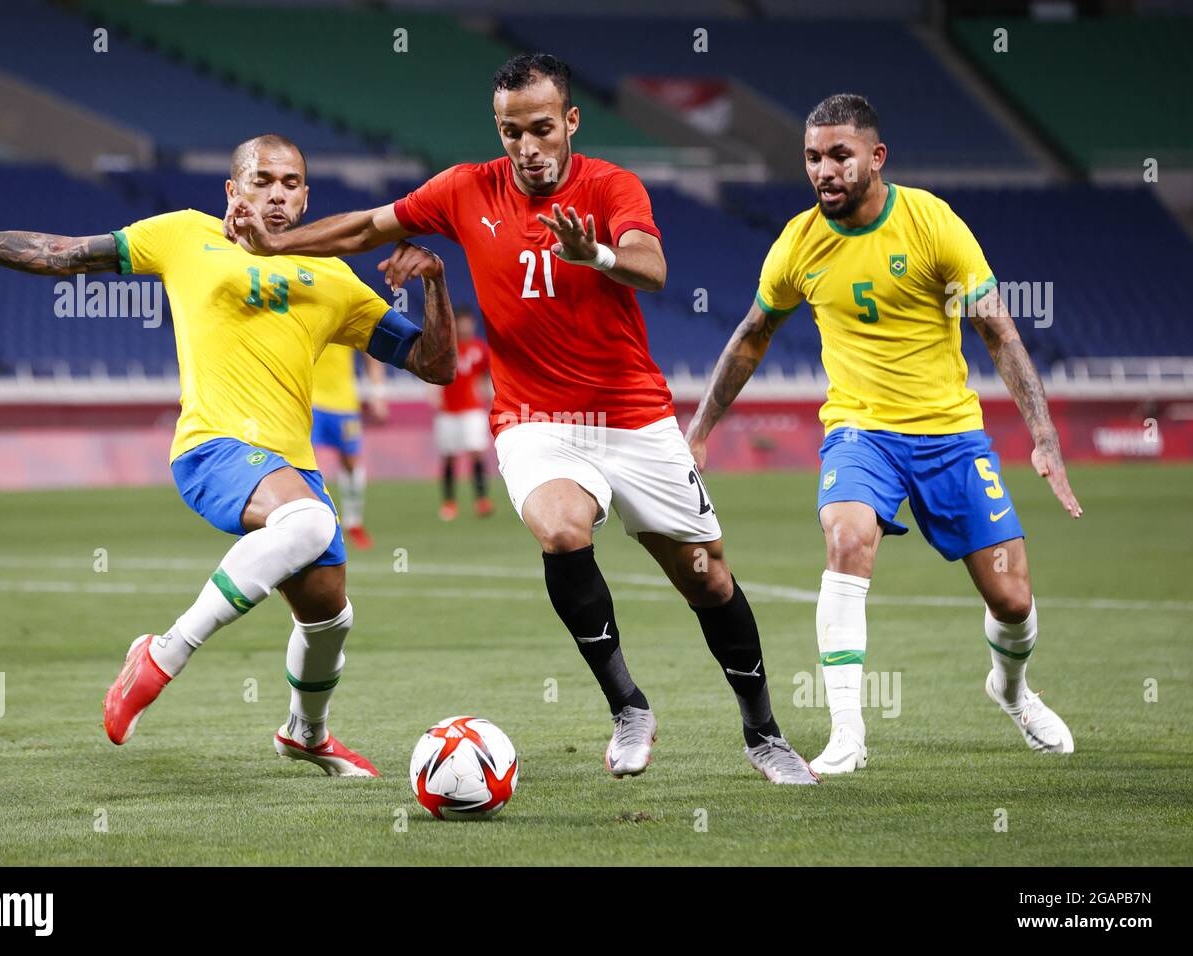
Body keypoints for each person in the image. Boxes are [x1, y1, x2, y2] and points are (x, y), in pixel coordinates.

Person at [226, 56, 815, 784]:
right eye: (512, 132)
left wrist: (592, 253)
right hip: (534, 417)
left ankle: (763, 732)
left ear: (570, 121)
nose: (527, 147)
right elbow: (367, 229)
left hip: (632, 415)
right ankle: (628, 706)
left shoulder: (609, 186)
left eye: (541, 128)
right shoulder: (466, 187)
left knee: (707, 580)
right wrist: (277, 242)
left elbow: (652, 265)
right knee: (561, 529)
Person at [0, 134, 457, 774]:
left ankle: (305, 733)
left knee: (331, 616)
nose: (276, 194)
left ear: (306, 197)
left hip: (291, 468)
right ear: (233, 190)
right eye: (262, 180)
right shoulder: (184, 235)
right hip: (212, 447)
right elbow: (59, 255)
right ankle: (163, 655)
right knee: (310, 523)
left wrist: (437, 284)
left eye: (291, 183)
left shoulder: (331, 277)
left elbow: (434, 365)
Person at [686, 94, 1078, 775]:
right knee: (846, 538)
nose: (824, 171)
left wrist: (1042, 436)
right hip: (861, 434)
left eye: (840, 155)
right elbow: (751, 336)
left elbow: (998, 332)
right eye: (813, 157)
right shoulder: (798, 244)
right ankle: (847, 735)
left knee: (1013, 601)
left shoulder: (932, 224)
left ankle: (1010, 690)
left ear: (876, 156)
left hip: (952, 436)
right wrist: (698, 433)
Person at [312, 343, 384, 549]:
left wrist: (378, 393)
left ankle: (354, 521)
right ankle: (315, 522)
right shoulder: (301, 312)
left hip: (344, 403)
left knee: (351, 462)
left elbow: (372, 352)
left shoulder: (345, 315)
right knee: (306, 461)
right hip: (310, 400)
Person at [435, 306, 493, 521]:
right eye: (460, 323)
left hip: (472, 410)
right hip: (448, 412)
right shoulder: (446, 348)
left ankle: (482, 500)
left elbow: (486, 376)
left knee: (476, 452)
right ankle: (449, 503)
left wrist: (491, 397)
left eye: (467, 323)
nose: (464, 326)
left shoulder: (480, 348)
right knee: (449, 457)